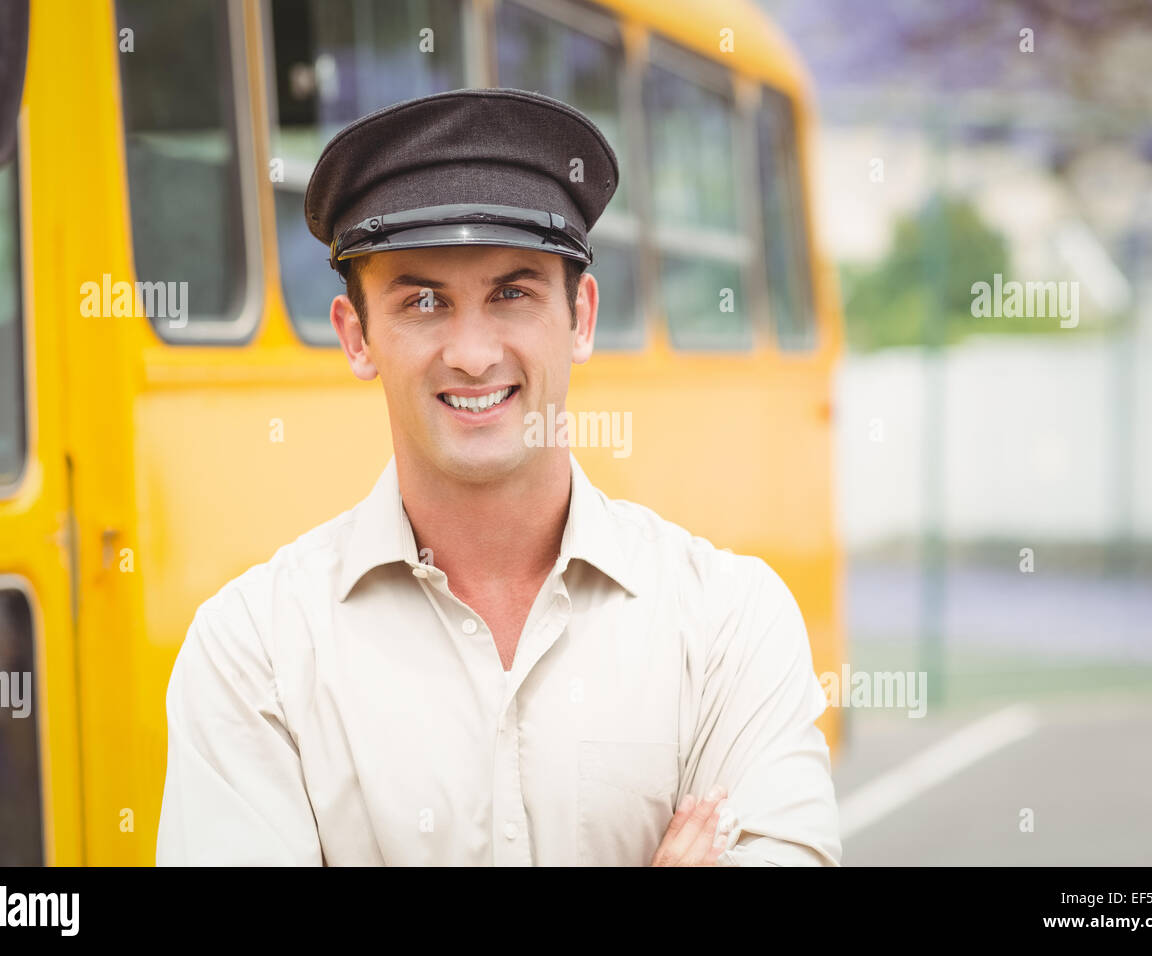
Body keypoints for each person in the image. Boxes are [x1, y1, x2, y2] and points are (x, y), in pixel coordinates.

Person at [156, 88, 840, 866]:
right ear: (356, 337)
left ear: (580, 317)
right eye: (422, 301)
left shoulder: (728, 625)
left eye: (511, 293)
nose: (473, 353)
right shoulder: (253, 653)